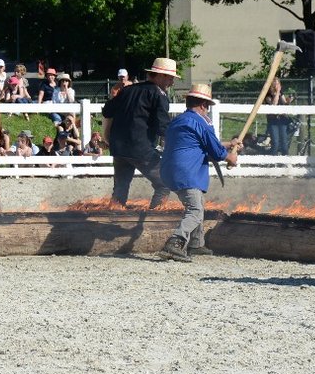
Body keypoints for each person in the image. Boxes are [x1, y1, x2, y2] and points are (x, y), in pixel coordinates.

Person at [156, 83, 239, 261]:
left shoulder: (178, 121)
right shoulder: (202, 122)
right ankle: (174, 243)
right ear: (203, 105)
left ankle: (196, 244)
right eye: (207, 107)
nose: (207, 110)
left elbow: (198, 144)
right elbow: (216, 153)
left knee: (198, 203)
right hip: (187, 172)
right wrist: (230, 157)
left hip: (169, 170)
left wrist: (229, 145)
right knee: (195, 210)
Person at [101, 57, 177, 208]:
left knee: (120, 189)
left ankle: (111, 220)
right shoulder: (158, 95)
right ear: (161, 76)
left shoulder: (127, 90)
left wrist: (107, 137)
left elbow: (107, 111)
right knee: (165, 183)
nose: (172, 82)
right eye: (170, 78)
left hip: (119, 148)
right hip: (141, 148)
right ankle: (154, 219)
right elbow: (163, 127)